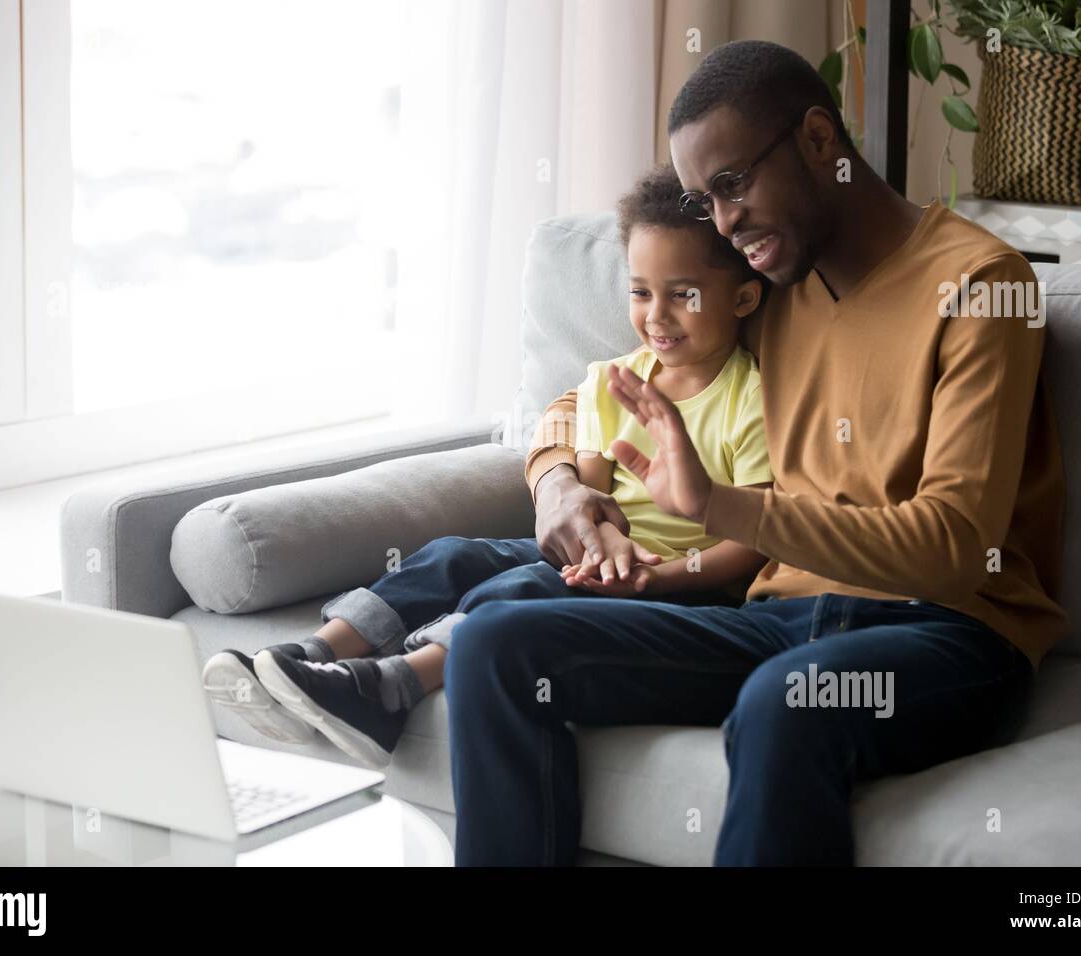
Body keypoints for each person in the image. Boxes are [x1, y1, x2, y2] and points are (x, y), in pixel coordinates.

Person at [443, 39, 1067, 865]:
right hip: (774, 620)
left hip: (945, 635)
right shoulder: (776, 284)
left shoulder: (986, 287)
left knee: (788, 699)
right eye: (708, 202)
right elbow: (577, 399)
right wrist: (556, 483)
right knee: (494, 645)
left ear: (818, 140)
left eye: (732, 185)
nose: (728, 224)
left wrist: (720, 506)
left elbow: (956, 549)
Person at [202, 163, 774, 769]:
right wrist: (598, 542)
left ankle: (390, 689)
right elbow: (590, 489)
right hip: (597, 559)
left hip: (683, 590)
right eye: (640, 292)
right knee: (451, 555)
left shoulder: (751, 401)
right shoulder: (613, 382)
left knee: (523, 587)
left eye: (681, 295)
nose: (656, 315)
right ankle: (304, 660)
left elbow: (754, 541)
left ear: (743, 296)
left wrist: (656, 577)